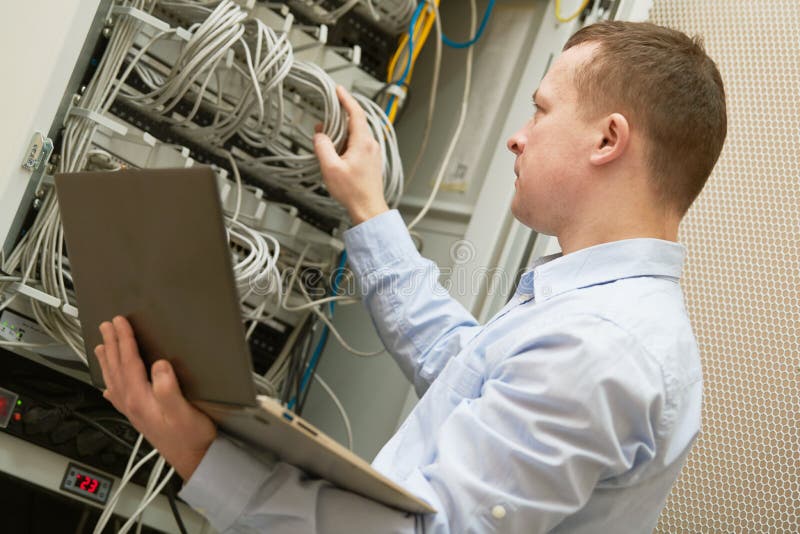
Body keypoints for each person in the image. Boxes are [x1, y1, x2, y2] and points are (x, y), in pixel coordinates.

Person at [93, 21, 726, 533]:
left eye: (540, 111)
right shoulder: (590, 313)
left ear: (607, 139)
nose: (516, 137)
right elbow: (462, 366)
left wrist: (194, 451)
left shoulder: (599, 345)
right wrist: (368, 206)